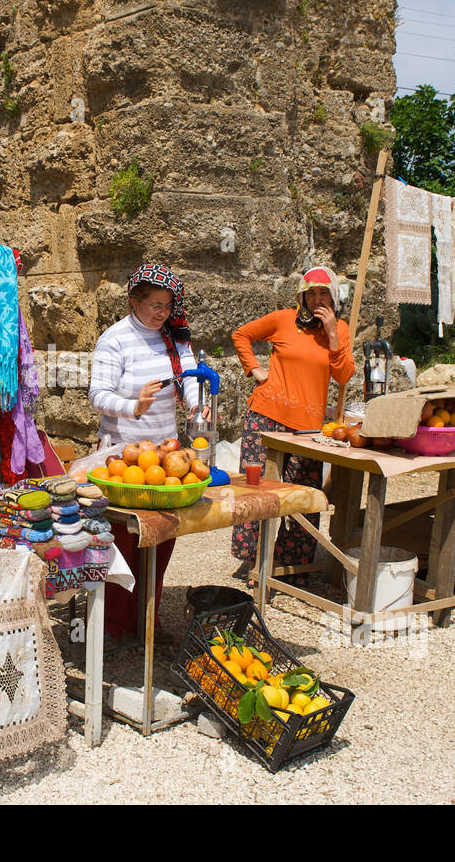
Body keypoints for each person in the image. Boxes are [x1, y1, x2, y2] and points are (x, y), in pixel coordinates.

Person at [88, 264, 204, 645]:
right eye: (154, 305)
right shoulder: (114, 340)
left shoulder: (175, 338)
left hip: (167, 455)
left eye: (167, 306)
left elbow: (188, 379)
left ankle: (147, 620)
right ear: (133, 301)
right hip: (123, 456)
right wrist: (133, 406)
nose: (162, 313)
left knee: (161, 538)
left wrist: (196, 405)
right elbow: (97, 395)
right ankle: (114, 626)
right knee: (124, 540)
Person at [230, 265, 354, 574]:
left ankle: (293, 565)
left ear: (334, 296)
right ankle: (254, 559)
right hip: (266, 416)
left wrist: (331, 336)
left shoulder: (340, 329)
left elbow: (344, 376)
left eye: (323, 292)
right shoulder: (282, 319)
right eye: (310, 293)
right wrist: (255, 370)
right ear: (301, 296)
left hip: (308, 428)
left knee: (302, 494)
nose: (316, 299)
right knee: (257, 488)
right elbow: (241, 334)